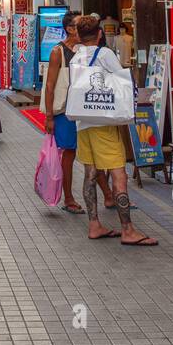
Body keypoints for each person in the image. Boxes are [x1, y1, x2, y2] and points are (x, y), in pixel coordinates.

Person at [69, 15, 156, 247]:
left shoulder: (76, 56)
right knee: (119, 175)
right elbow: (122, 82)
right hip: (104, 124)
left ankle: (94, 224)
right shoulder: (104, 54)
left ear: (78, 35)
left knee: (90, 173)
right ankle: (128, 229)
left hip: (83, 123)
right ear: (100, 34)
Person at [43, 11, 108, 214]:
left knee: (94, 152)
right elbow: (50, 85)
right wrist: (49, 117)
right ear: (70, 29)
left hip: (86, 108)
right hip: (65, 111)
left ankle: (108, 195)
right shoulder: (58, 52)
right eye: (78, 25)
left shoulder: (86, 49)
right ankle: (68, 198)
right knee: (69, 153)